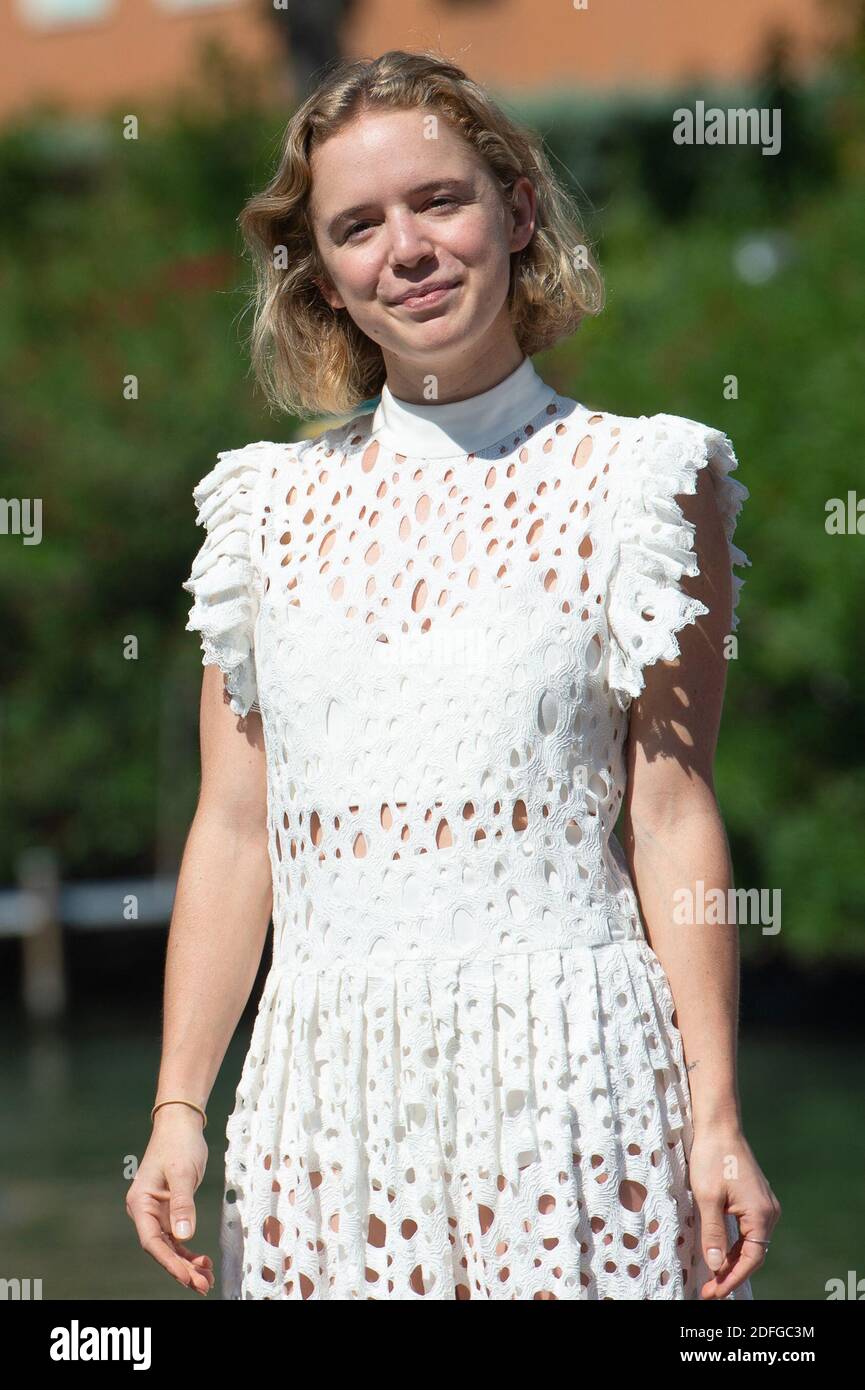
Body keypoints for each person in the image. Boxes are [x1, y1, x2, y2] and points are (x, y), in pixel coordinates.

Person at [126, 49, 780, 1301]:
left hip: (581, 1088)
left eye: (439, 201)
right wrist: (176, 1106)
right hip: (325, 1105)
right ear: (320, 272)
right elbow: (232, 829)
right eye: (358, 226)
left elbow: (671, 810)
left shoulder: (647, 481)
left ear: (517, 210)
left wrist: (715, 1116)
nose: (407, 248)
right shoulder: (261, 511)